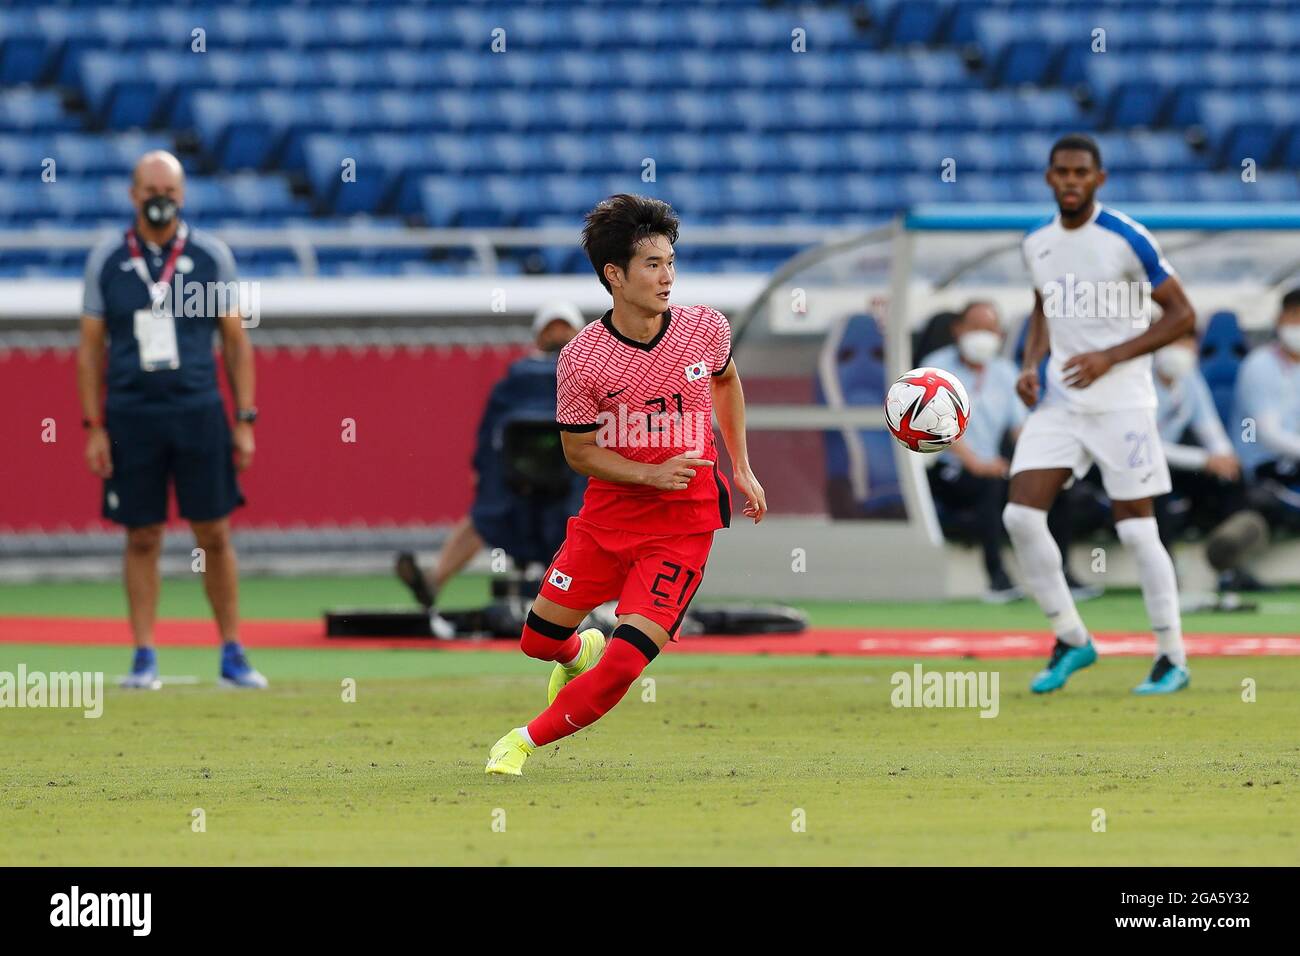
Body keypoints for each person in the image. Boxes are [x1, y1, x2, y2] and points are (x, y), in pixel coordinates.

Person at [484, 194, 767, 775]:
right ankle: (577, 651)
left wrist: (740, 465)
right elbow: (578, 451)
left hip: (683, 526)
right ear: (614, 274)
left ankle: (519, 743)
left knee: (624, 662)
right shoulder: (583, 357)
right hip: (607, 519)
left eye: (670, 263)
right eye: (652, 265)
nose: (667, 277)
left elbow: (726, 382)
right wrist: (649, 473)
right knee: (538, 642)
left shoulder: (705, 328)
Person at [1003, 133, 1197, 696]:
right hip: (1062, 401)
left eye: (1081, 172)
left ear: (1099, 179)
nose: (1071, 181)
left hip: (1123, 405)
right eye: (1061, 172)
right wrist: (1031, 363)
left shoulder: (1126, 237)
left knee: (1136, 528)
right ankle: (1071, 638)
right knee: (1020, 517)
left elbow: (1183, 316)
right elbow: (1043, 307)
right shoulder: (1036, 242)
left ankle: (1171, 656)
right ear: (1049, 178)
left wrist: (1109, 357)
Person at [77, 150, 265, 689]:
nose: (160, 200)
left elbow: (236, 341)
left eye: (170, 191)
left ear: (183, 195)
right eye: (151, 190)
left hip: (197, 411)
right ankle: (143, 656)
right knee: (142, 535)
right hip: (131, 414)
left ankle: (232, 652)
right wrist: (93, 426)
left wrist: (245, 419)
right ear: (133, 194)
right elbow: (89, 350)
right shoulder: (108, 259)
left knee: (215, 533)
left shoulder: (210, 256)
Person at [393, 302, 587, 627]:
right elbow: (489, 438)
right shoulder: (514, 383)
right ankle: (433, 581)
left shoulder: (589, 376)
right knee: (481, 519)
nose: (558, 335)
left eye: (564, 328)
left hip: (571, 484)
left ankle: (613, 601)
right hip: (516, 487)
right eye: (551, 328)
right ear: (538, 336)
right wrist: (483, 475)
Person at [922, 302, 1027, 601]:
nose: (983, 335)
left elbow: (1019, 428)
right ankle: (997, 578)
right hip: (946, 468)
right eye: (975, 327)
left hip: (991, 467)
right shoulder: (935, 367)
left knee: (1051, 487)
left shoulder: (1005, 372)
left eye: (990, 329)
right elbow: (933, 425)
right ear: (958, 330)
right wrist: (976, 463)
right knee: (989, 485)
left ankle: (1061, 575)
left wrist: (1038, 466)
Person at [1151, 329, 1242, 548]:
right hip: (1139, 465)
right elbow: (1145, 446)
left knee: (1231, 477)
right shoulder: (1137, 381)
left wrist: (1224, 456)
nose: (1180, 351)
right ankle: (1166, 562)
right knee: (1157, 487)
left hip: (1174, 463)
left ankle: (1229, 552)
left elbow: (1209, 424)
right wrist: (1204, 460)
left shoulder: (1190, 377)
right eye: (1173, 342)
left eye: (1187, 343)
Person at [1234, 287, 1300, 533]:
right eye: (1295, 317)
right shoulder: (1259, 365)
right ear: (1278, 319)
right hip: (1262, 467)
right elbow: (1268, 434)